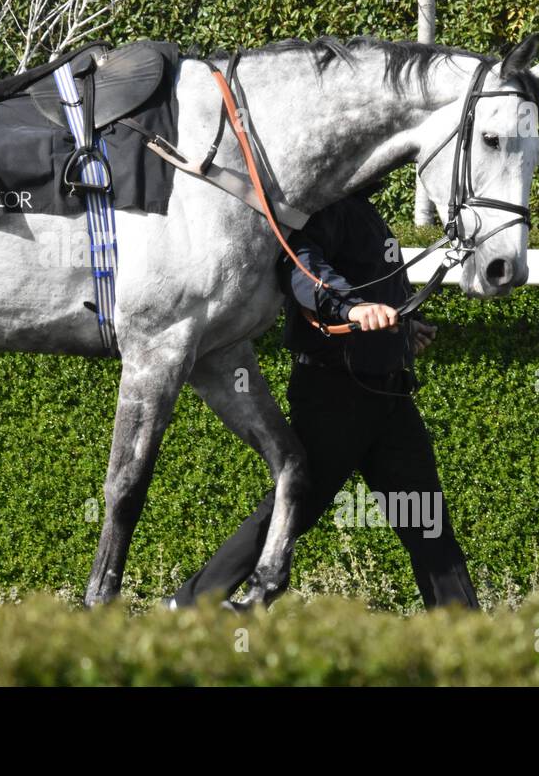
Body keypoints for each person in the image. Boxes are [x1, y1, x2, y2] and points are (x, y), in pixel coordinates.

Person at [166, 188, 481, 612]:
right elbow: (301, 267)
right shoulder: (324, 207)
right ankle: (191, 604)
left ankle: (465, 635)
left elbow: (375, 292)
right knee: (293, 507)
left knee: (425, 521)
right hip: (336, 395)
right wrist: (352, 308)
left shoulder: (364, 211)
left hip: (389, 397)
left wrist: (407, 330)